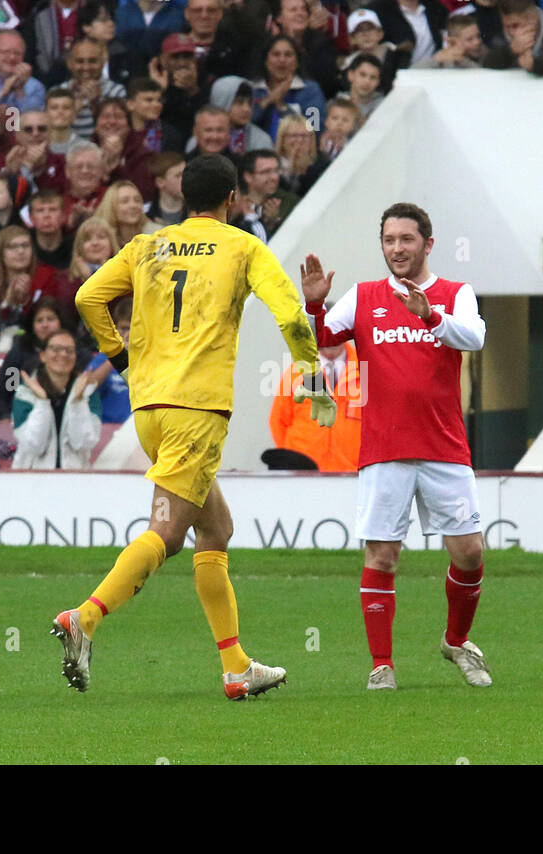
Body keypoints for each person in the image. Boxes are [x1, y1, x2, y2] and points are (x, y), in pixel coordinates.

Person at [55, 154, 334, 699]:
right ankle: (85, 618)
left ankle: (236, 667)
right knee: (166, 531)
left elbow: (88, 297)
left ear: (184, 198)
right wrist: (310, 371)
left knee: (216, 530)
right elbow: (289, 314)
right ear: (233, 198)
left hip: (149, 407)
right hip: (197, 409)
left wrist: (119, 357)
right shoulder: (245, 247)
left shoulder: (146, 246)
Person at [301, 201, 490, 691]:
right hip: (384, 448)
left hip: (444, 446)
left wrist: (431, 317)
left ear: (428, 244)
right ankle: (381, 664)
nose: (397, 248)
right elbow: (321, 340)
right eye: (389, 240)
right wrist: (315, 304)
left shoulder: (454, 293)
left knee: (469, 551)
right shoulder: (364, 296)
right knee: (382, 555)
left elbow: (474, 337)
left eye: (407, 239)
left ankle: (455, 640)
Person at [10, 329, 103, 469]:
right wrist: (42, 402)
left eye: (69, 350)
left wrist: (78, 401)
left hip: (75, 480)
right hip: (32, 479)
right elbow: (33, 446)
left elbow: (83, 443)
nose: (63, 354)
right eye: (55, 349)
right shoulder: (25, 393)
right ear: (42, 355)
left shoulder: (88, 392)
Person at [269, 340, 363, 471]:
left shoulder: (368, 372)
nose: (329, 334)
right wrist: (295, 463)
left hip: (352, 477)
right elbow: (279, 422)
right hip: (303, 477)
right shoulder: (295, 373)